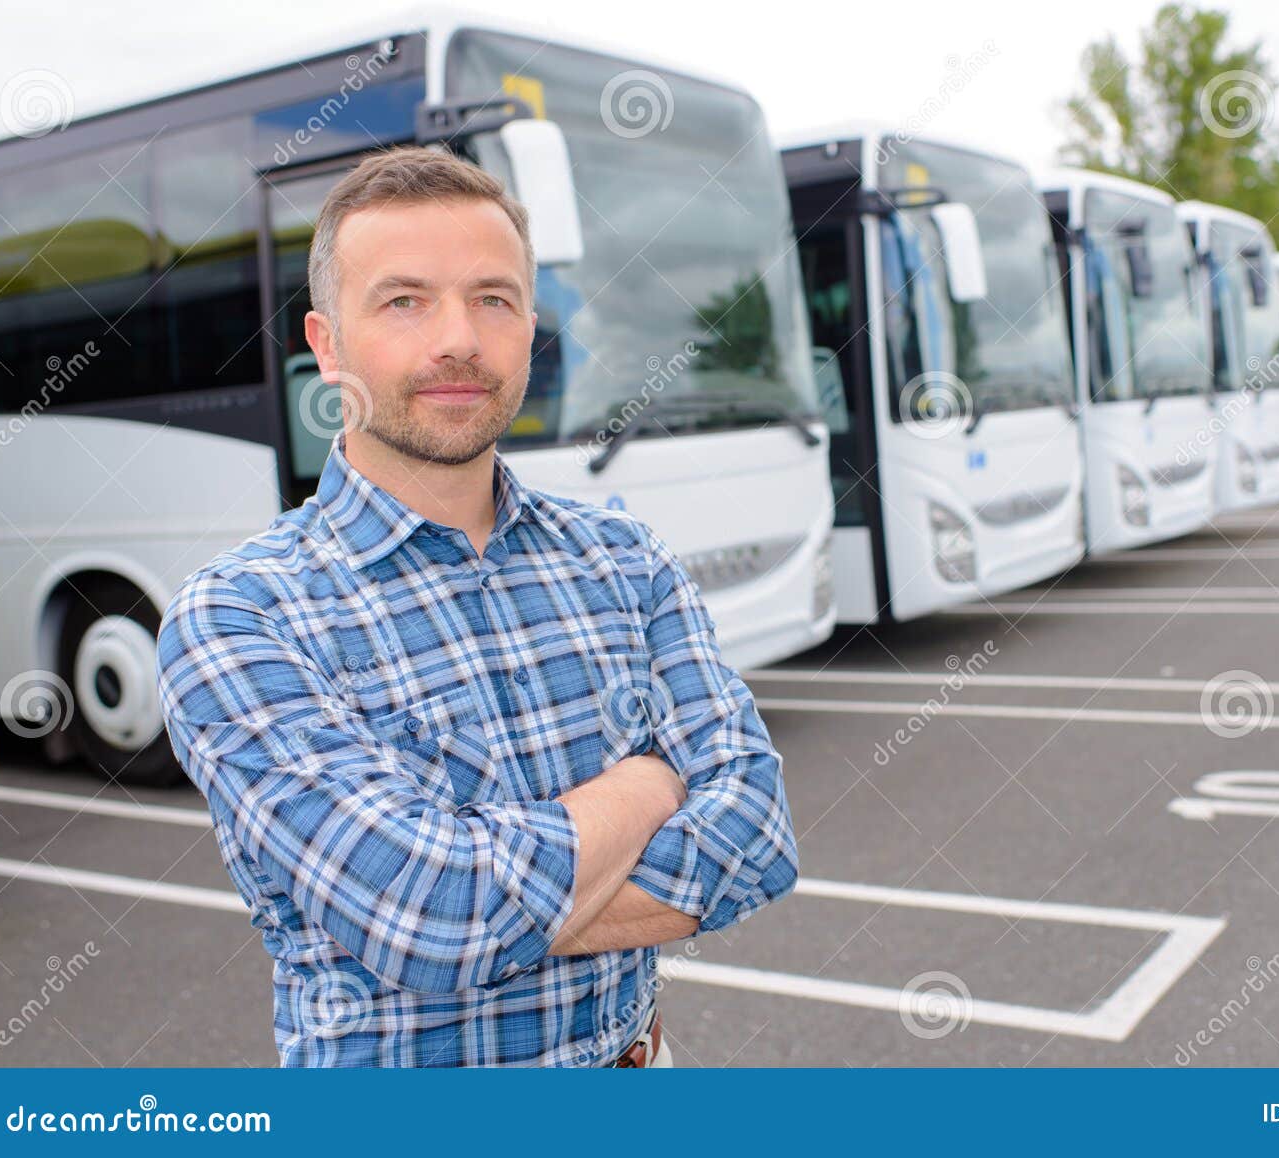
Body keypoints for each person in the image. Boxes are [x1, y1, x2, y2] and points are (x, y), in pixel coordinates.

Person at [155, 145, 798, 1067]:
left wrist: (486, 902)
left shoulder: (626, 560)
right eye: (404, 300)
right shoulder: (241, 617)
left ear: (530, 327)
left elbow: (759, 838)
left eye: (492, 298)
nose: (458, 338)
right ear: (327, 345)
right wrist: (651, 784)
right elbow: (437, 919)